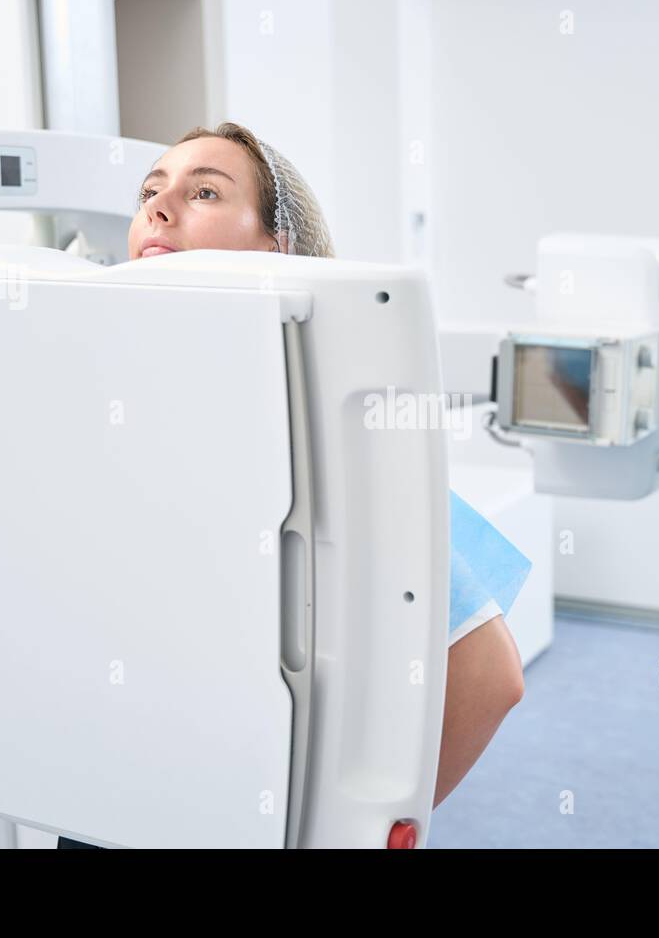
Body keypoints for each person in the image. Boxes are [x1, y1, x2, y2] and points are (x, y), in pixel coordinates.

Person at [59, 122, 530, 847]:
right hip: (106, 792)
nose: (158, 207)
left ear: (276, 246)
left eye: (204, 191)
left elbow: (486, 676)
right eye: (149, 192)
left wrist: (350, 833)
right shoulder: (120, 405)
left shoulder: (322, 426)